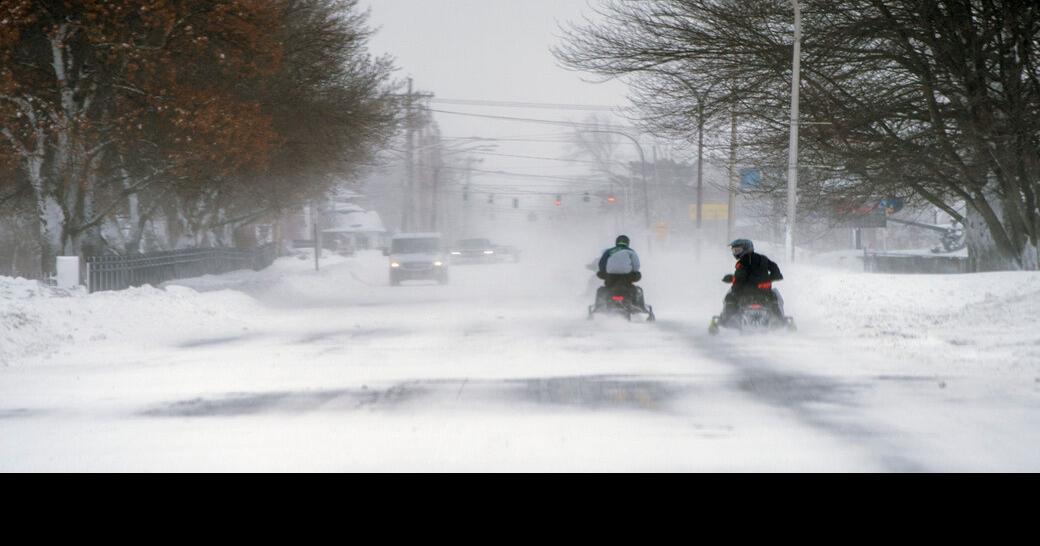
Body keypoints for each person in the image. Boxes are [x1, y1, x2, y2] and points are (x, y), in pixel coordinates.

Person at [719, 238, 785, 324]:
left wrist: (734, 285)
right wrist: (771, 278)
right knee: (775, 297)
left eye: (738, 250)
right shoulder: (763, 259)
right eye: (734, 250)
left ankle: (725, 321)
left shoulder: (742, 263)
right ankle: (781, 320)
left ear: (747, 249)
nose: (735, 253)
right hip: (764, 293)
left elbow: (739, 280)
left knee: (729, 297)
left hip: (744, 294)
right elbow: (774, 268)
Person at [595, 235, 646, 310]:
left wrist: (604, 272)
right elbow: (636, 266)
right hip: (626, 278)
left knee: (604, 287)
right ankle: (638, 306)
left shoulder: (609, 251)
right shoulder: (631, 251)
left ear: (616, 242)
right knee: (637, 280)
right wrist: (634, 272)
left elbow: (602, 264)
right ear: (628, 243)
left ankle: (599, 306)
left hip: (611, 277)